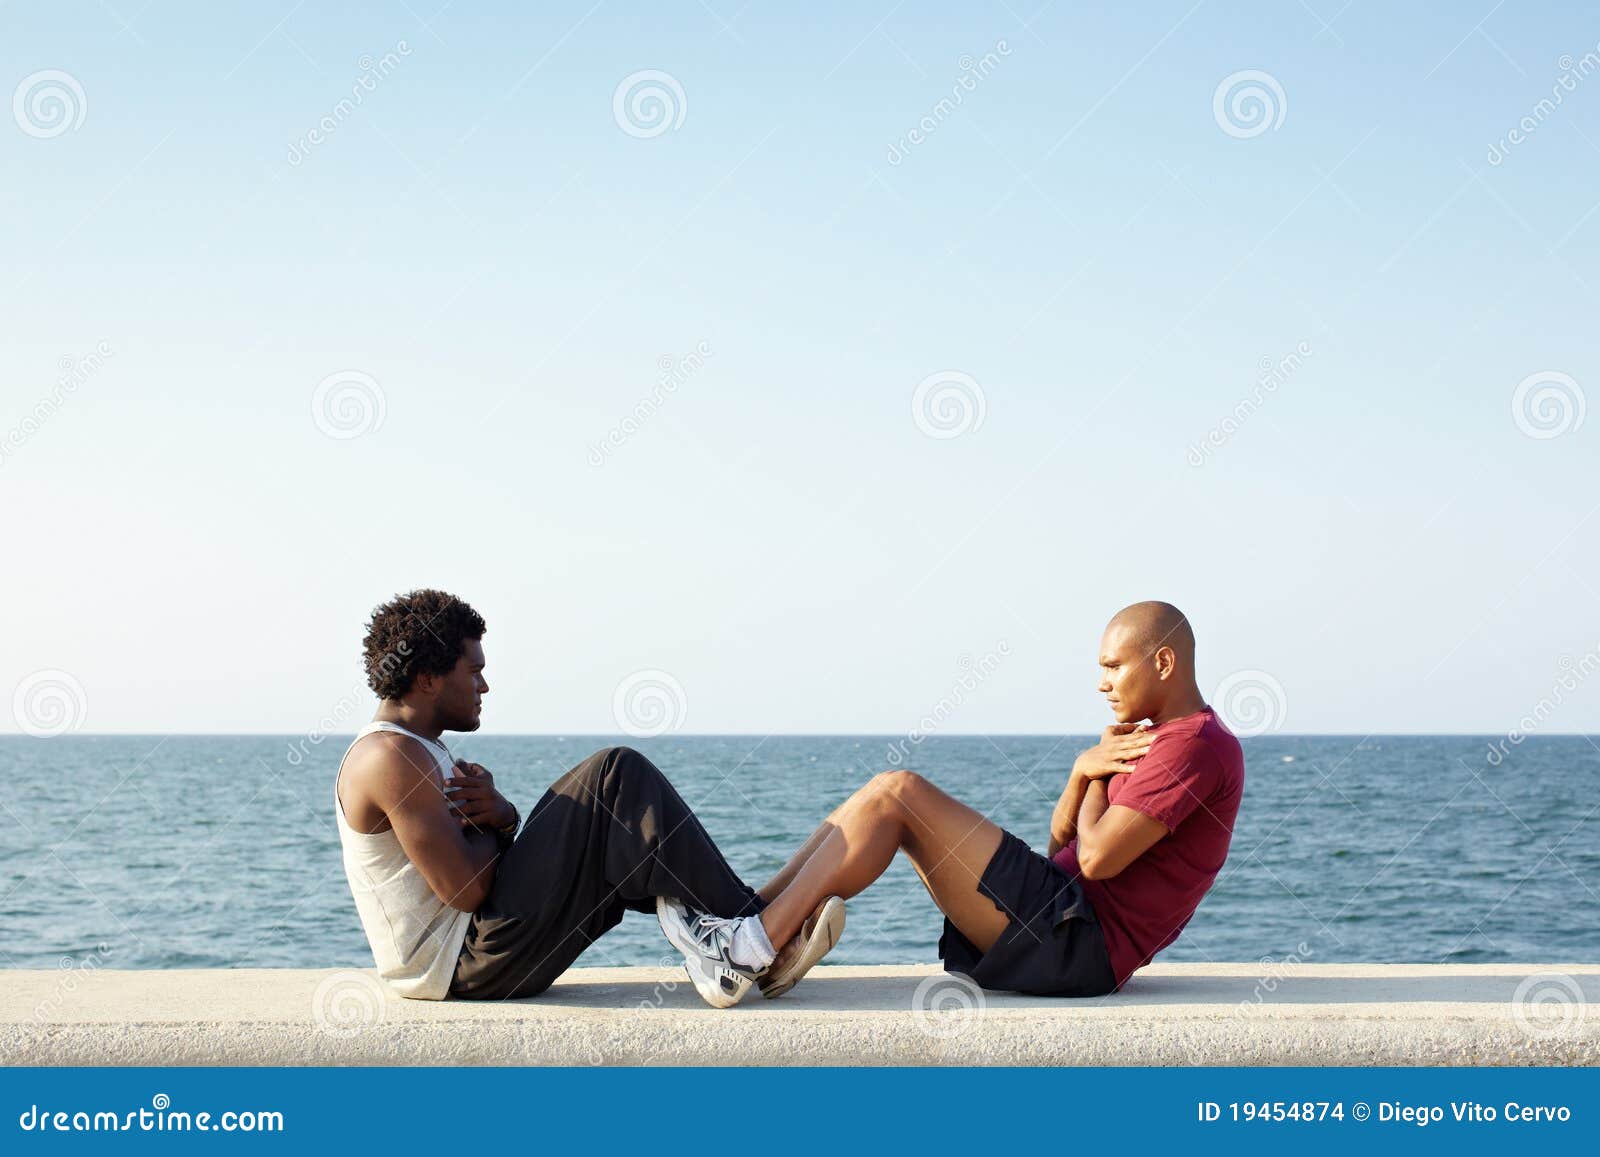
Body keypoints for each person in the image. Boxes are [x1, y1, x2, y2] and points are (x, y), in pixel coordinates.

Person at [666, 600, 1245, 1000]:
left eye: (1113, 667)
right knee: (882, 793)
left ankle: (748, 949)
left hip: (1080, 945)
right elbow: (1062, 848)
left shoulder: (1195, 746)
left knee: (899, 795)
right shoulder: (1155, 740)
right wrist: (1082, 772)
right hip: (1063, 915)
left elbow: (1096, 860)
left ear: (1163, 662)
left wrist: (1095, 770)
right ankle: (751, 922)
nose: (1102, 683)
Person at [334, 588, 844, 1006]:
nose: (484, 686)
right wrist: (501, 825)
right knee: (613, 774)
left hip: (481, 953)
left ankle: (734, 935)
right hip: (462, 965)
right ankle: (755, 934)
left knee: (619, 823)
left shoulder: (420, 749)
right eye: (472, 671)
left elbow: (474, 865)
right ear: (427, 678)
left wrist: (506, 816)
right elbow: (466, 893)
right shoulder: (390, 758)